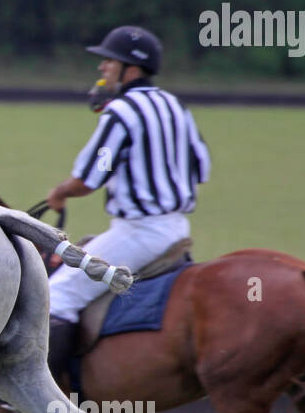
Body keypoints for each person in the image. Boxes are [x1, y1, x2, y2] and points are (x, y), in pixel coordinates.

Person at [43, 25, 211, 373]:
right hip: (178, 228)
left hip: (140, 232)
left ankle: (35, 398)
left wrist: (59, 193)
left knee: (55, 297)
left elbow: (90, 178)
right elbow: (202, 167)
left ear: (130, 70)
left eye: (109, 61)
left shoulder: (122, 112)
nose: (102, 68)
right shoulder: (175, 106)